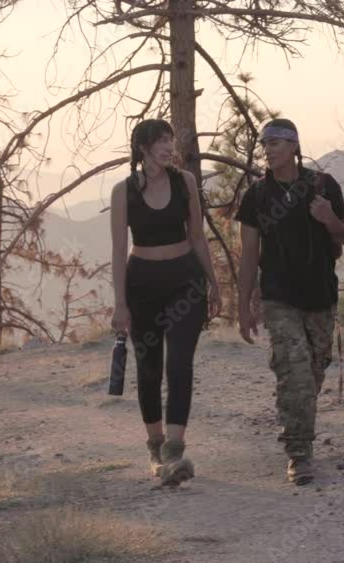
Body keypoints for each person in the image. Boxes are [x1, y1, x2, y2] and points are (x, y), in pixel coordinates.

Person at [234, 118, 344, 485]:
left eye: (275, 143)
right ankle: (299, 454)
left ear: (293, 147)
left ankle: (297, 419)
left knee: (314, 370)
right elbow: (249, 255)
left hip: (320, 295)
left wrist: (328, 218)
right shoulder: (257, 196)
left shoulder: (322, 185)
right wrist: (242, 306)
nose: (268, 150)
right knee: (295, 372)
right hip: (279, 297)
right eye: (264, 144)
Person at [110, 118, 222, 486]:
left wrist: (214, 281)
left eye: (171, 140)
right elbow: (117, 251)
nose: (168, 146)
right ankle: (156, 447)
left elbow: (198, 237)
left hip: (184, 282)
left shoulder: (184, 181)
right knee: (149, 367)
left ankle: (176, 451)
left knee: (179, 363)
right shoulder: (123, 191)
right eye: (160, 140)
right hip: (142, 285)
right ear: (143, 147)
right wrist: (120, 304)